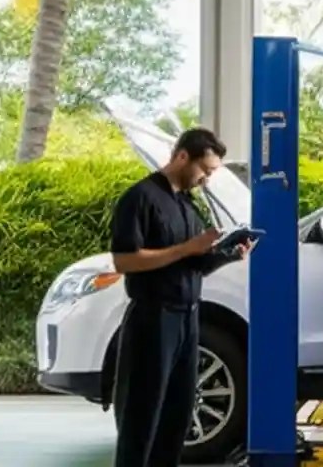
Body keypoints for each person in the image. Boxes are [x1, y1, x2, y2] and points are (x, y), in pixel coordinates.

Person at [109, 127, 252, 467]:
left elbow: (192, 264)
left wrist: (228, 253)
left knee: (178, 413)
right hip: (153, 318)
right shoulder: (140, 198)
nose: (205, 180)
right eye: (204, 170)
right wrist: (187, 248)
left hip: (188, 318)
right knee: (142, 414)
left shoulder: (186, 205)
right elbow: (125, 260)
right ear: (182, 156)